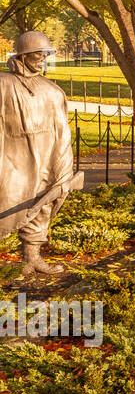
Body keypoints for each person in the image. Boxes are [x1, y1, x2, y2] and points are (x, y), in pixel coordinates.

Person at [0, 31, 83, 276]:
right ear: (23, 55)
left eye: (45, 54)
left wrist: (64, 164)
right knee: (8, 200)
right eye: (38, 53)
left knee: (44, 205)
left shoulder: (52, 90)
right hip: (15, 155)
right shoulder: (4, 83)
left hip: (49, 153)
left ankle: (31, 258)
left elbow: (62, 130)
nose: (42, 58)